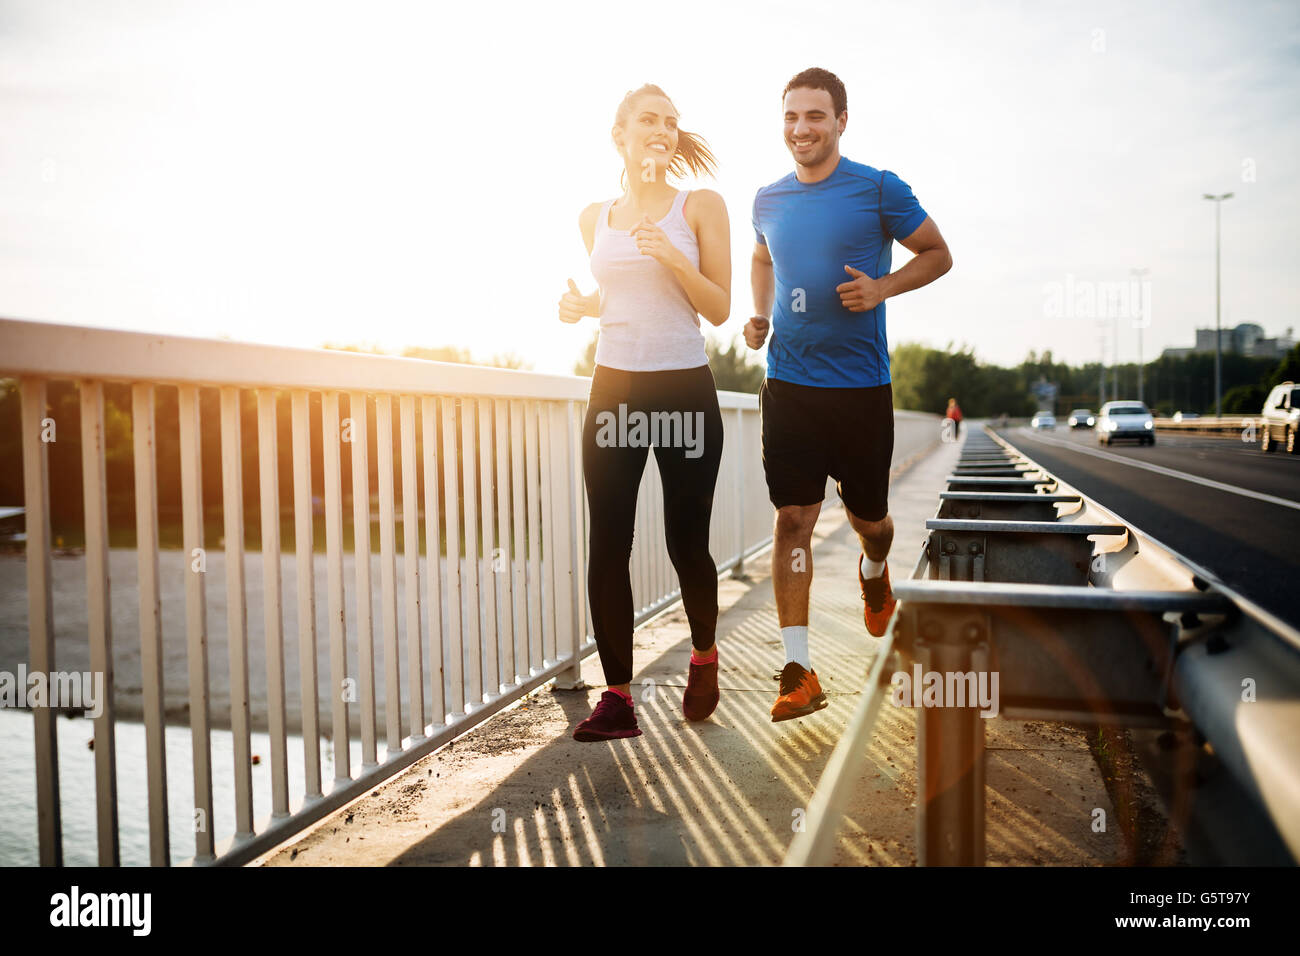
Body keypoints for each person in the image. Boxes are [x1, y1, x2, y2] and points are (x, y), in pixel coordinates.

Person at [745, 67, 952, 722]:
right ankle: (798, 670)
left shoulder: (879, 189)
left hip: (861, 390)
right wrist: (759, 316)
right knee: (793, 519)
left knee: (871, 523)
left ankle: (873, 570)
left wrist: (883, 288)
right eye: (790, 117)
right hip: (788, 385)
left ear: (840, 121)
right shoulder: (766, 200)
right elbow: (761, 259)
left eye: (814, 116)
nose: (801, 129)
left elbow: (938, 253)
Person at [558, 84, 732, 741]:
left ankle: (704, 656)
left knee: (686, 541)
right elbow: (617, 296)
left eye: (670, 121)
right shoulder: (593, 217)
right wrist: (584, 306)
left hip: (682, 386)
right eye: (649, 120)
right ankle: (619, 698)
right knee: (608, 542)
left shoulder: (701, 206)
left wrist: (669, 255)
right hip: (613, 387)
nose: (662, 129)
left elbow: (716, 307)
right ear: (621, 135)